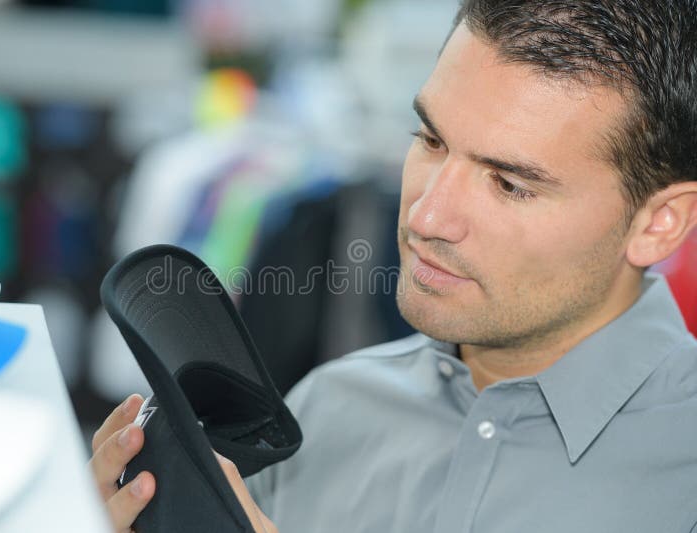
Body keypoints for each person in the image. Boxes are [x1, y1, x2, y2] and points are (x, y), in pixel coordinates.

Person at [89, 0, 697, 531]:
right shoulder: (332, 406)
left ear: (659, 222)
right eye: (430, 140)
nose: (427, 218)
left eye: (510, 184)